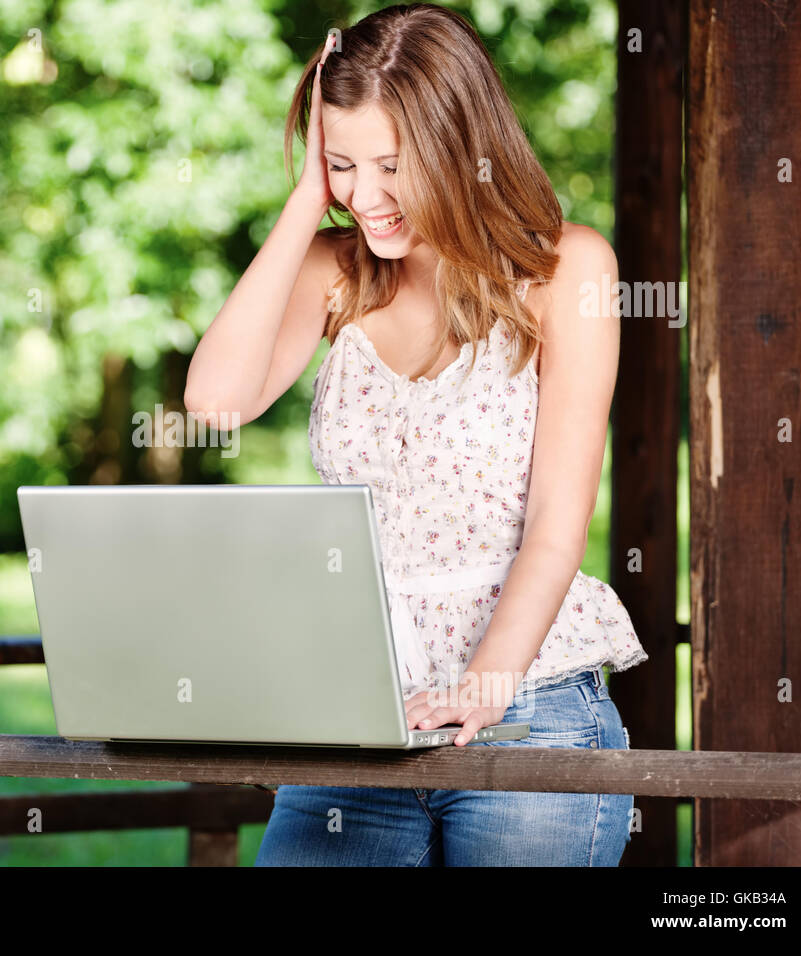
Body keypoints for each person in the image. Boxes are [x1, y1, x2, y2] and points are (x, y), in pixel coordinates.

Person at [183, 3, 648, 866]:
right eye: (342, 165)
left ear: (458, 143)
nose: (365, 196)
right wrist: (303, 202)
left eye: (393, 166)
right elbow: (215, 402)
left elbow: (556, 523)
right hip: (358, 715)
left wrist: (485, 687)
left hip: (531, 704)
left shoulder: (568, 269)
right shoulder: (335, 272)